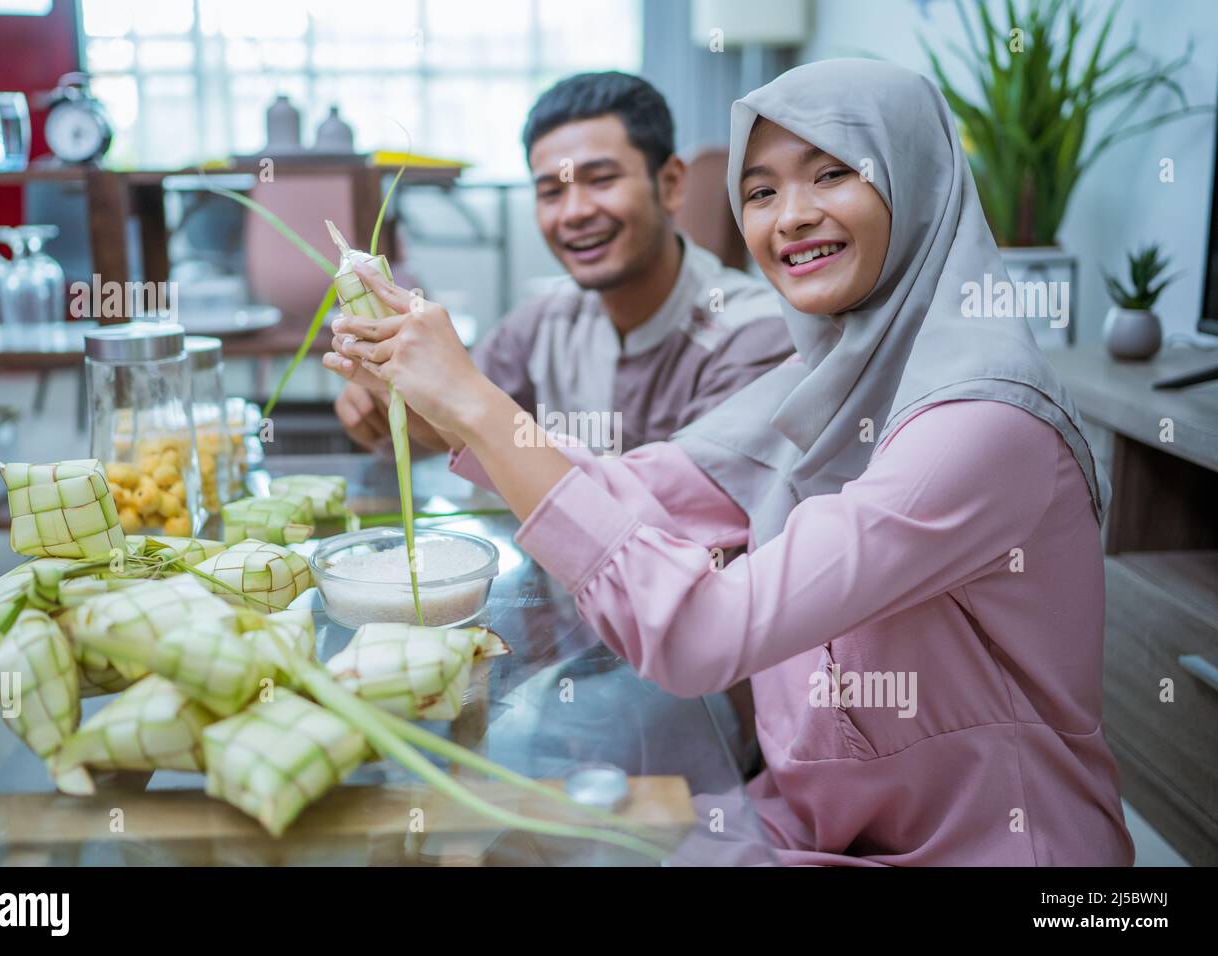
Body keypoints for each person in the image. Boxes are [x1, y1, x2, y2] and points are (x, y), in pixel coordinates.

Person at [326, 59, 1134, 866]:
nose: (792, 216)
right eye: (760, 192)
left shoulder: (983, 422)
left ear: (918, 180)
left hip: (989, 852)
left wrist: (477, 404)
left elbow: (706, 631)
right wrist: (450, 410)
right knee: (514, 845)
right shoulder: (826, 377)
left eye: (832, 173)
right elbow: (641, 491)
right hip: (813, 823)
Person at [326, 71, 791, 457]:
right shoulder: (545, 319)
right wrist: (387, 404)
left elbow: (676, 507)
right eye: (551, 191)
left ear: (670, 183)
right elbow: (456, 432)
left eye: (601, 179)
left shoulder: (752, 336)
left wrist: (460, 403)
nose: (574, 212)